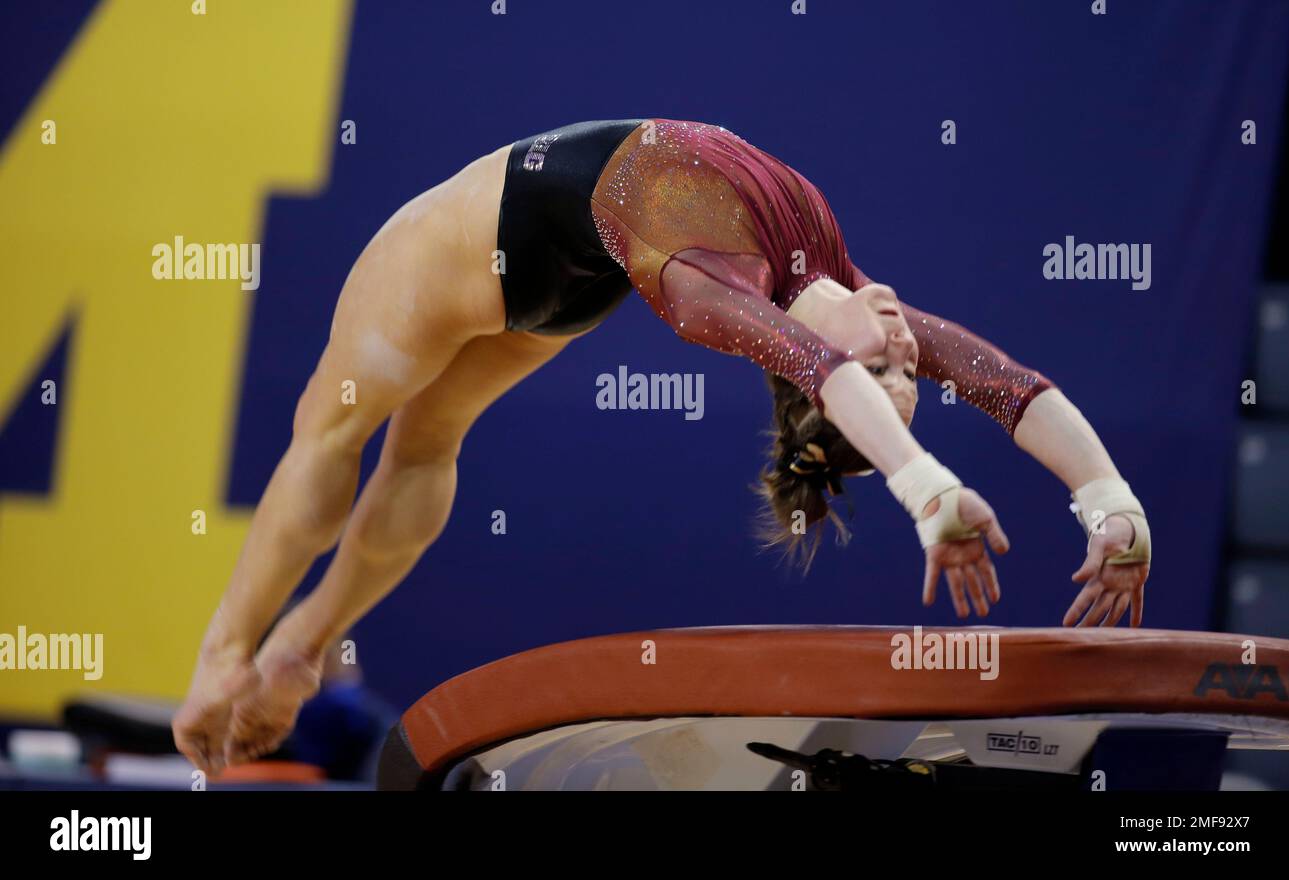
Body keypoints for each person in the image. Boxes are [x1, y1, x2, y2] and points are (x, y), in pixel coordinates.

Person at [173, 119, 1151, 774]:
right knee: (387, 439)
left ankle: (251, 652)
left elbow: (829, 371)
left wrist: (926, 491)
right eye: (905, 378)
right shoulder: (845, 285)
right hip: (546, 259)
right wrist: (1110, 503)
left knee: (362, 432)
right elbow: (1007, 386)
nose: (906, 352)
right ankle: (272, 647)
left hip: (466, 244)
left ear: (810, 376)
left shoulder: (715, 301)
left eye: (892, 380)